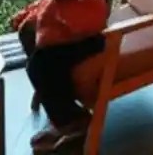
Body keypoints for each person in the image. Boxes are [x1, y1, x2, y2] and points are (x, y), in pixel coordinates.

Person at [18, 19, 103, 152]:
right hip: (76, 21)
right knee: (28, 31)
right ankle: (62, 111)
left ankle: (71, 121)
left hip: (97, 31)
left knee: (39, 62)